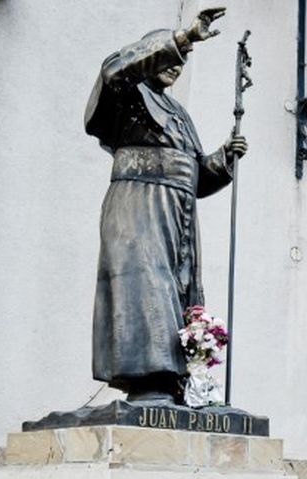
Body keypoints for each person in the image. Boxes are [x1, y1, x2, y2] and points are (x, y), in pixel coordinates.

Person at [84, 7, 247, 402]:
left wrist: (222, 159)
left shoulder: (179, 114)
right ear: (150, 54)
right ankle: (147, 381)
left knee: (177, 294)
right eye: (173, 57)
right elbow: (114, 71)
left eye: (183, 60)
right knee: (146, 289)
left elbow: (192, 178)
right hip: (138, 206)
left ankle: (176, 384)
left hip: (177, 214)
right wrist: (183, 38)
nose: (179, 64)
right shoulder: (125, 92)